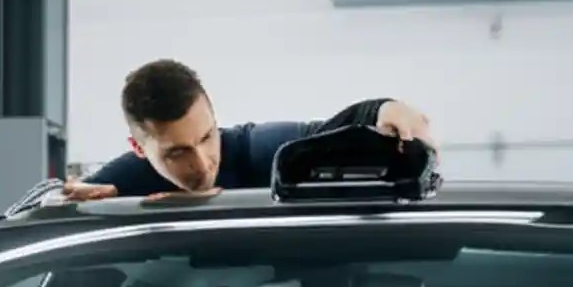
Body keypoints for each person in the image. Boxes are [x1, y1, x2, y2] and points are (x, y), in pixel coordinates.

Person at [62, 58, 437, 201]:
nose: (203, 162)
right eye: (177, 153)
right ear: (139, 149)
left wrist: (386, 109)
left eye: (208, 137)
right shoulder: (121, 184)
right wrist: (62, 197)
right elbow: (37, 205)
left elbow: (333, 133)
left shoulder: (257, 149)